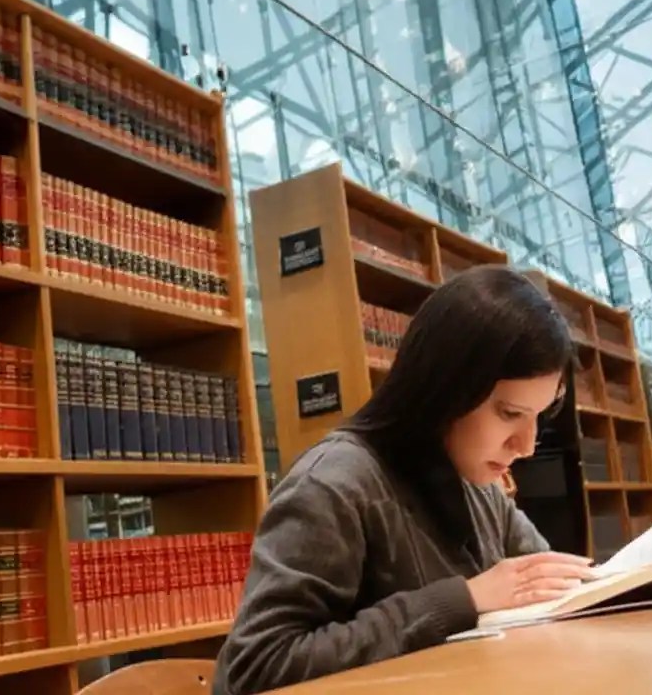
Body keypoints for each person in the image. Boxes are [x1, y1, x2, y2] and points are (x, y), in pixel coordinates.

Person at [213, 265, 595, 695]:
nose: (526, 446)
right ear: (445, 388)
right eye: (509, 414)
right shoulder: (331, 486)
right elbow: (255, 668)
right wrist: (464, 599)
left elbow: (544, 584)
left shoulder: (478, 482)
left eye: (539, 417)